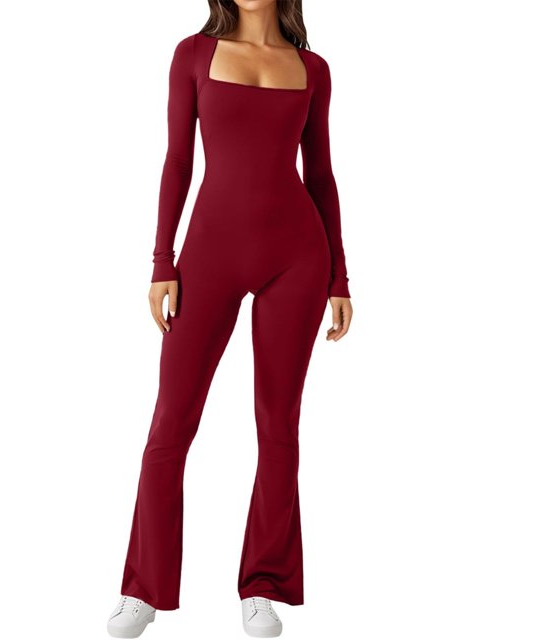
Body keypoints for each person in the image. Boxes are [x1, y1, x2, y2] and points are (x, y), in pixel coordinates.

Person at [107, 1, 353, 637]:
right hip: (209, 255)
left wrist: (339, 276)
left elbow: (321, 174)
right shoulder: (193, 54)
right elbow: (178, 161)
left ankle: (263, 585)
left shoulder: (314, 69)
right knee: (172, 421)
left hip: (297, 257)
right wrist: (162, 262)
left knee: (278, 423)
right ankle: (144, 589)